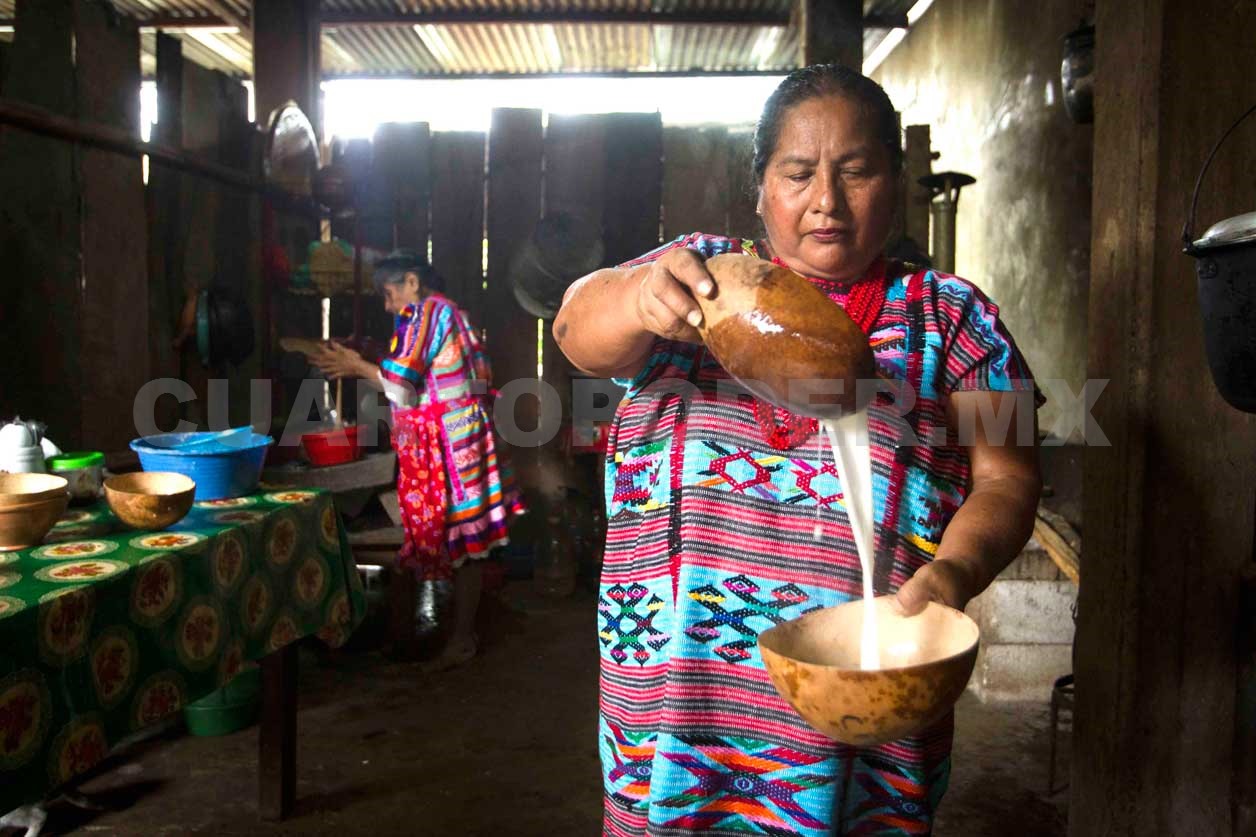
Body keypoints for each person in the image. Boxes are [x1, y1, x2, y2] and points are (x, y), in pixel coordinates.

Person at [553, 64, 1042, 835]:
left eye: (856, 171)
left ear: (896, 178)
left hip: (866, 702)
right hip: (680, 709)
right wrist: (639, 295)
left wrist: (957, 570)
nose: (827, 201)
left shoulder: (956, 321)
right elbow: (575, 328)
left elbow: (1009, 476)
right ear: (759, 189)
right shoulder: (701, 282)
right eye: (798, 172)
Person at [312, 251, 524, 670]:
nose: (389, 305)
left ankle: (459, 639)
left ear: (411, 281)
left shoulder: (429, 311)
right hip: (462, 434)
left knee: (464, 536)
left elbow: (402, 383)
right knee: (467, 537)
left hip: (453, 439)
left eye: (389, 294)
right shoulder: (448, 315)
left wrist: (356, 365)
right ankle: (440, 635)